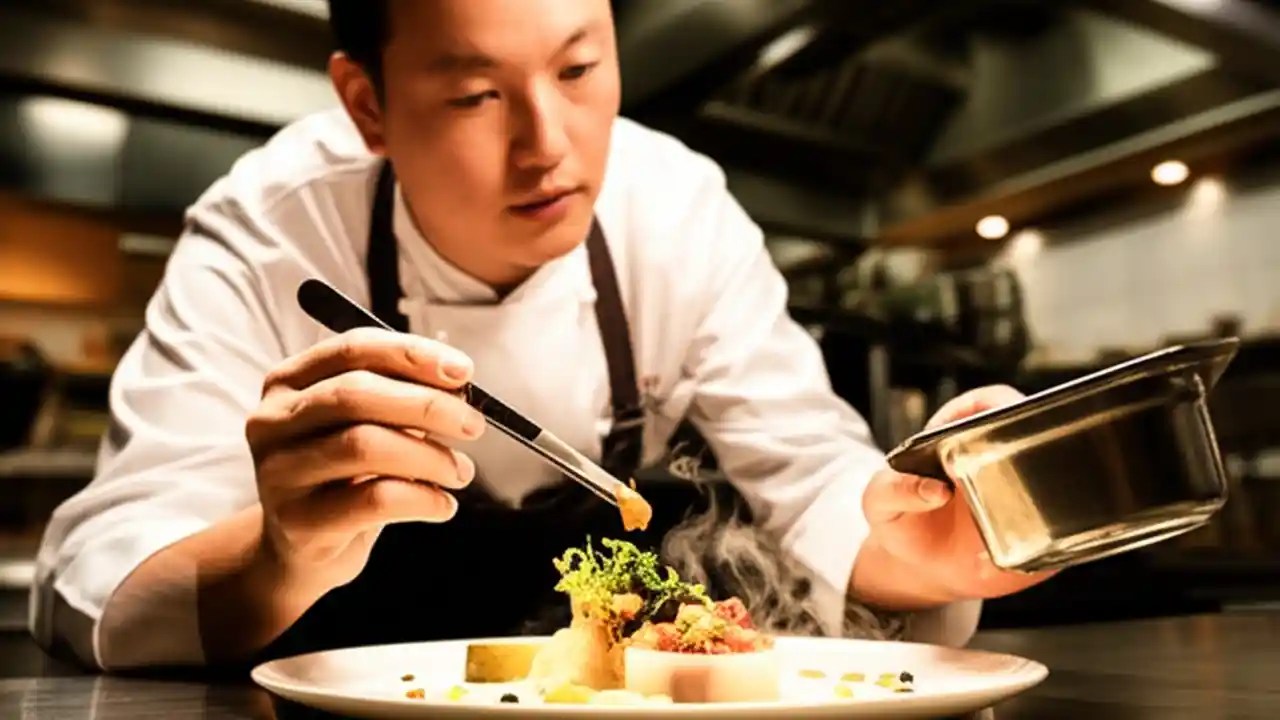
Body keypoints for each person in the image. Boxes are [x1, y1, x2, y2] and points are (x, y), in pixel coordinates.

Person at [29, 0, 1051, 672]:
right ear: (367, 105)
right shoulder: (269, 230)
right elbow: (100, 569)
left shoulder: (676, 211)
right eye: (476, 94)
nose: (549, 147)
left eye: (578, 68)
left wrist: (932, 542)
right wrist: (277, 552)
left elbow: (817, 485)